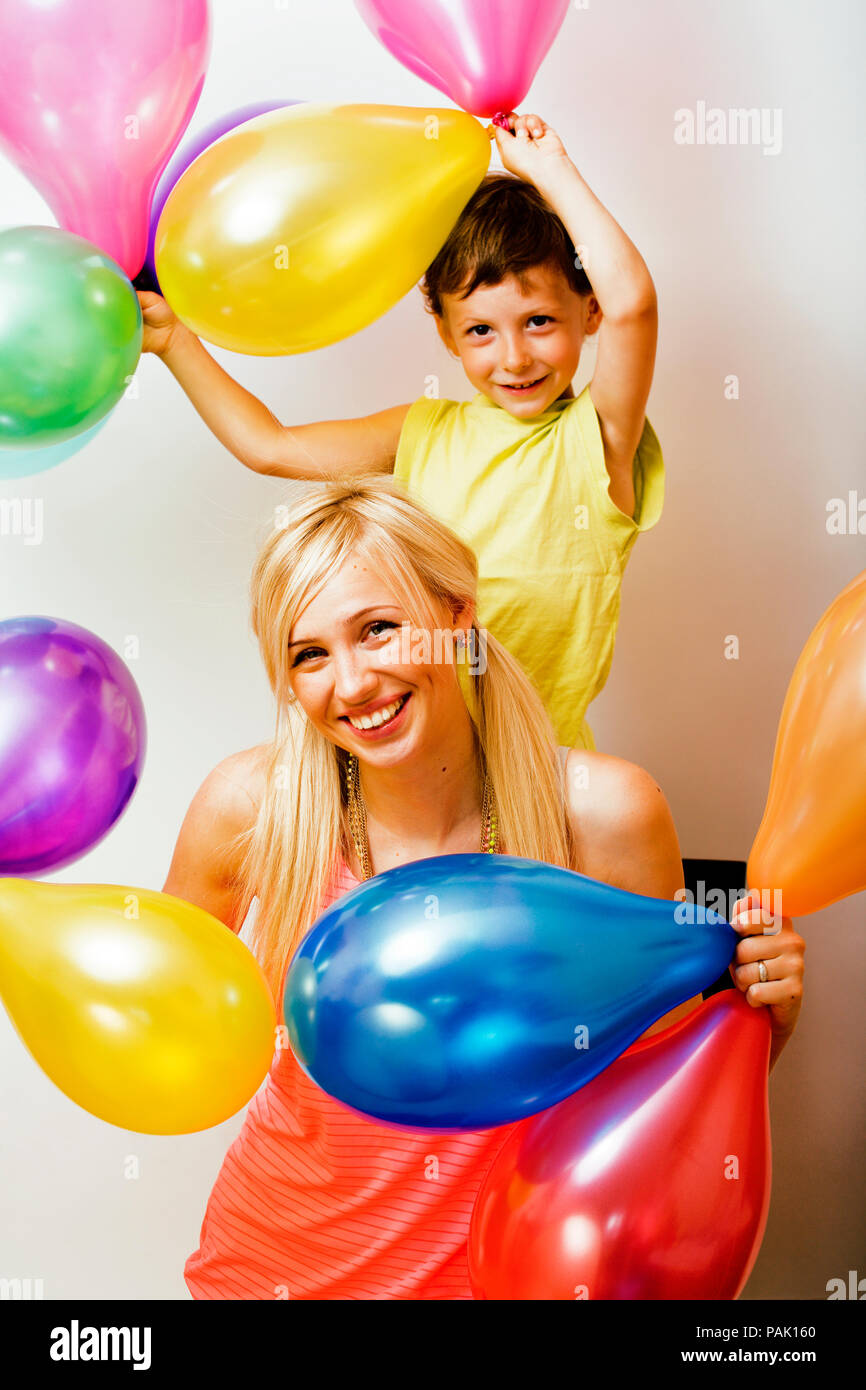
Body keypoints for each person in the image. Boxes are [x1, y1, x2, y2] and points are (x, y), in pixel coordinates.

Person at [164, 480, 806, 1301]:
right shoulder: (249, 808)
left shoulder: (603, 813)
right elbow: (176, 1039)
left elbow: (658, 1104)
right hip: (269, 1271)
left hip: (500, 1278)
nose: (354, 683)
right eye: (309, 653)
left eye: (379, 630)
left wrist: (760, 1015)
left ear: (458, 619)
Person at [139, 113, 664, 750]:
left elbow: (635, 302)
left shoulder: (598, 439)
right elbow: (269, 446)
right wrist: (175, 343)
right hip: (413, 764)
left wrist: (550, 170)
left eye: (540, 321)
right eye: (481, 331)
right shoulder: (424, 431)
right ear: (445, 332)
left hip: (544, 768)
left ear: (590, 311)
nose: (515, 357)